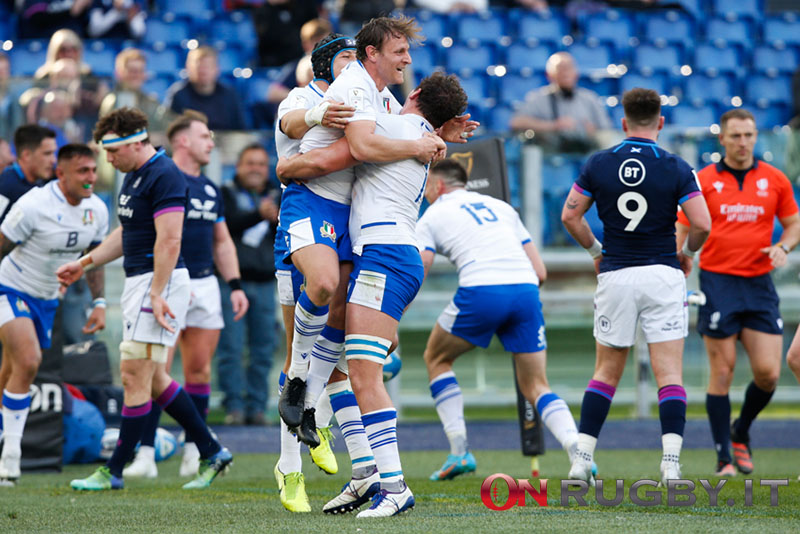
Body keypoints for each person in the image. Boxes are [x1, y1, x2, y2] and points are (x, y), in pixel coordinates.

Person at [279, 71, 468, 518]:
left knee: (364, 375)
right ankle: (334, 437)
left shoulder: (399, 128)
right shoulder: (416, 132)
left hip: (386, 255)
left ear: (416, 95)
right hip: (386, 253)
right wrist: (440, 135)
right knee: (341, 341)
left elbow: (349, 150)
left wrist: (287, 168)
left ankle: (395, 486)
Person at [59, 107, 232, 491]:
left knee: (134, 374)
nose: (107, 160)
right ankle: (211, 449)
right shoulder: (134, 176)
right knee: (153, 378)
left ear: (135, 142)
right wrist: (84, 264)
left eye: (111, 151)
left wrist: (156, 292)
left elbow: (170, 239)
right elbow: (127, 234)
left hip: (160, 280)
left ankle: (115, 469)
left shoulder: (164, 174)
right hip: (147, 280)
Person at [561, 87, 711, 486]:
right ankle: (670, 464)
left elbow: (570, 217)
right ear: (660, 122)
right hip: (662, 274)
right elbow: (702, 223)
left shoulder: (599, 162)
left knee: (606, 372)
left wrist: (596, 252)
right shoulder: (676, 165)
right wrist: (687, 252)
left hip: (616, 274)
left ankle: (581, 461)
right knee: (669, 374)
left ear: (623, 123)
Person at [416, 158, 583, 481]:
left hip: (482, 289)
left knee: (436, 358)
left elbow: (420, 267)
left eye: (426, 188)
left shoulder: (432, 215)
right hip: (525, 290)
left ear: (438, 185)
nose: (424, 195)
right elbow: (541, 272)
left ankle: (459, 451)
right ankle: (578, 452)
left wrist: (393, 315)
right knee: (536, 385)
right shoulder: (502, 208)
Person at [123, 110, 249, 480]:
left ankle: (195, 452)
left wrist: (235, 284)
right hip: (170, 282)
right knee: (154, 368)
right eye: (204, 136)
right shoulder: (161, 178)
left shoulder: (211, 188)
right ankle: (144, 454)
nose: (211, 142)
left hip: (207, 284)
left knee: (199, 369)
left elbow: (222, 241)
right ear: (183, 141)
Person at [676, 108, 800, 477]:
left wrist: (785, 248)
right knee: (723, 372)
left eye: (748, 135)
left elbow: (793, 224)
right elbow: (682, 229)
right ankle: (724, 459)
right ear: (722, 140)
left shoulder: (774, 179)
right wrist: (680, 262)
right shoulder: (704, 180)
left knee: (768, 374)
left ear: (755, 137)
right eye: (736, 136)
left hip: (759, 283)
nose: (743, 142)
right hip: (718, 282)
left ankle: (741, 431)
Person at [271, 33, 359, 513]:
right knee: (295, 353)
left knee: (342, 353)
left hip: (350, 219)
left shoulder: (366, 99)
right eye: (347, 55)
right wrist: (317, 114)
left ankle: (315, 416)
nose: (354, 63)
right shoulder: (307, 95)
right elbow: (288, 122)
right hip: (305, 217)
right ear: (325, 65)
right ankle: (289, 468)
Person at [0, 143, 108, 485]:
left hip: (48, 299)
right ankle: (10, 458)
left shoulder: (97, 209)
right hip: (10, 288)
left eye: (93, 171)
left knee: (9, 371)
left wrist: (100, 302)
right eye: (82, 172)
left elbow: (94, 258)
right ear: (61, 174)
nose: (90, 178)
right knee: (29, 361)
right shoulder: (33, 205)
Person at [216, 144, 279, 427]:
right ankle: (234, 407)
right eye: (250, 163)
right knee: (231, 347)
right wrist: (258, 214)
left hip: (267, 284)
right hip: (233, 284)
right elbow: (225, 227)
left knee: (263, 350)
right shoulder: (225, 193)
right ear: (238, 166)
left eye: (261, 164)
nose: (255, 169)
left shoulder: (279, 193)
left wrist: (275, 218)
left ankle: (256, 407)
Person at [510, 51, 612, 153]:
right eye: (560, 68)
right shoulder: (538, 98)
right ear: (549, 75)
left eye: (569, 67)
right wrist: (553, 126)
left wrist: (594, 134)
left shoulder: (590, 98)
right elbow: (516, 122)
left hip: (585, 155)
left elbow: (607, 131)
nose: (565, 72)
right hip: (550, 157)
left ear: (576, 73)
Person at [163, 47, 246, 131]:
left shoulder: (229, 95)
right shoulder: (178, 95)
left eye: (208, 67)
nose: (203, 71)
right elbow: (170, 131)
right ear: (187, 68)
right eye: (199, 67)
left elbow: (241, 131)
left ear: (217, 69)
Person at [0, 125, 56, 225]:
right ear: (26, 155)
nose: (53, 160)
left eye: (53, 153)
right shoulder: (5, 186)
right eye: (47, 154)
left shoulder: (49, 180)